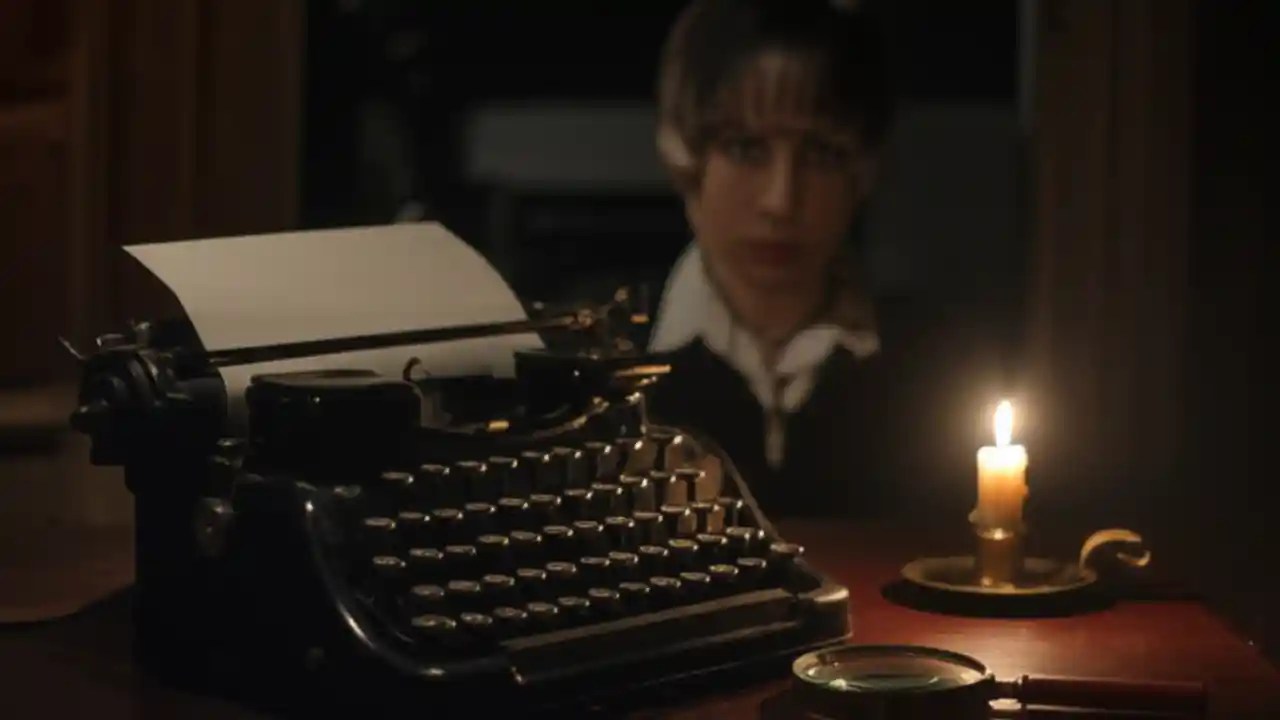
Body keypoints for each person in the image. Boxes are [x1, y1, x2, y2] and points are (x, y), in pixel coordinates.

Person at [644, 0, 901, 518]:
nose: (781, 201)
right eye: (746, 149)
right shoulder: (612, 374)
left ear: (864, 171)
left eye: (821, 154)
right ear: (684, 154)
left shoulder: (931, 372)